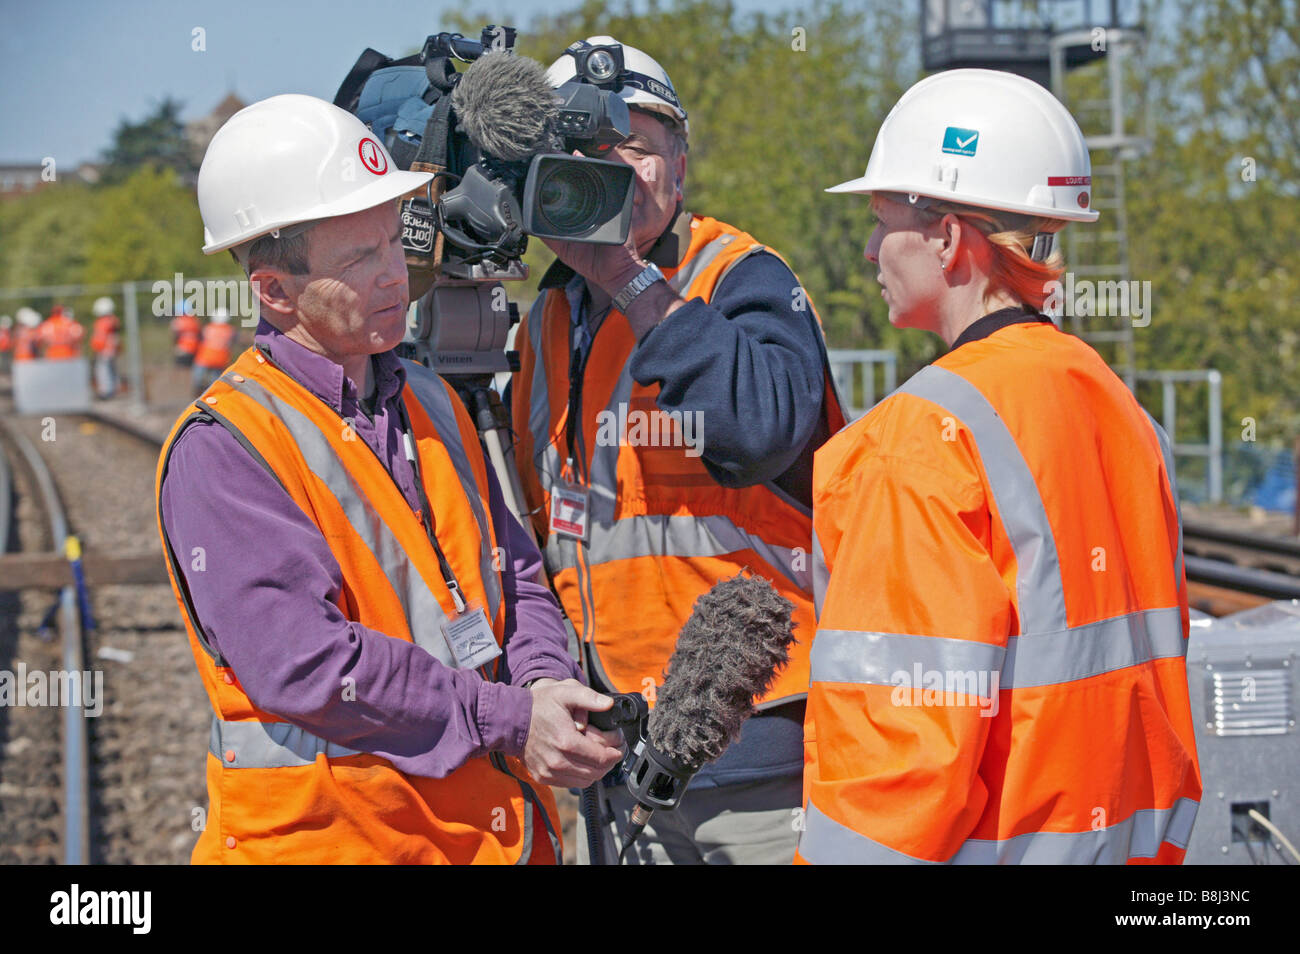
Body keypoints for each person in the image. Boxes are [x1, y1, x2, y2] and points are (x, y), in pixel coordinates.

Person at [156, 93, 623, 864]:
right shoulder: (226, 447)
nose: (394, 277)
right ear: (274, 291)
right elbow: (306, 665)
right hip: (337, 846)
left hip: (492, 840)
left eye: (391, 242)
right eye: (357, 261)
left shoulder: (432, 399)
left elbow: (516, 575)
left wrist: (542, 683)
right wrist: (509, 719)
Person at [796, 68, 1201, 864]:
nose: (870, 250)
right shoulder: (1121, 409)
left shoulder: (919, 439)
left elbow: (899, 763)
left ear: (947, 239)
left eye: (882, 222)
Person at [512, 37, 846, 864]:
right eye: (586, 154)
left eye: (635, 146)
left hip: (758, 748)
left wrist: (626, 277)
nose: (614, 171)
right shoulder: (547, 319)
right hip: (615, 753)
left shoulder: (740, 275)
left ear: (681, 165)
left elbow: (759, 428)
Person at [190, 307, 234, 395]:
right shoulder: (230, 330)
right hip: (220, 361)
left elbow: (199, 339)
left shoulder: (207, 328)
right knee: (214, 385)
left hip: (204, 358)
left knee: (198, 380)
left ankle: (198, 392)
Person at [90, 297, 122, 399]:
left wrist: (97, 349)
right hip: (111, 349)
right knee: (112, 369)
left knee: (103, 370)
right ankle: (114, 389)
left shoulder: (103, 322)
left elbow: (100, 338)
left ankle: (106, 391)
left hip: (105, 350)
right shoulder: (113, 320)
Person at [170, 301, 200, 367]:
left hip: (182, 350)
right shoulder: (195, 320)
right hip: (194, 350)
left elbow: (174, 336)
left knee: (181, 369)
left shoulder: (178, 321)